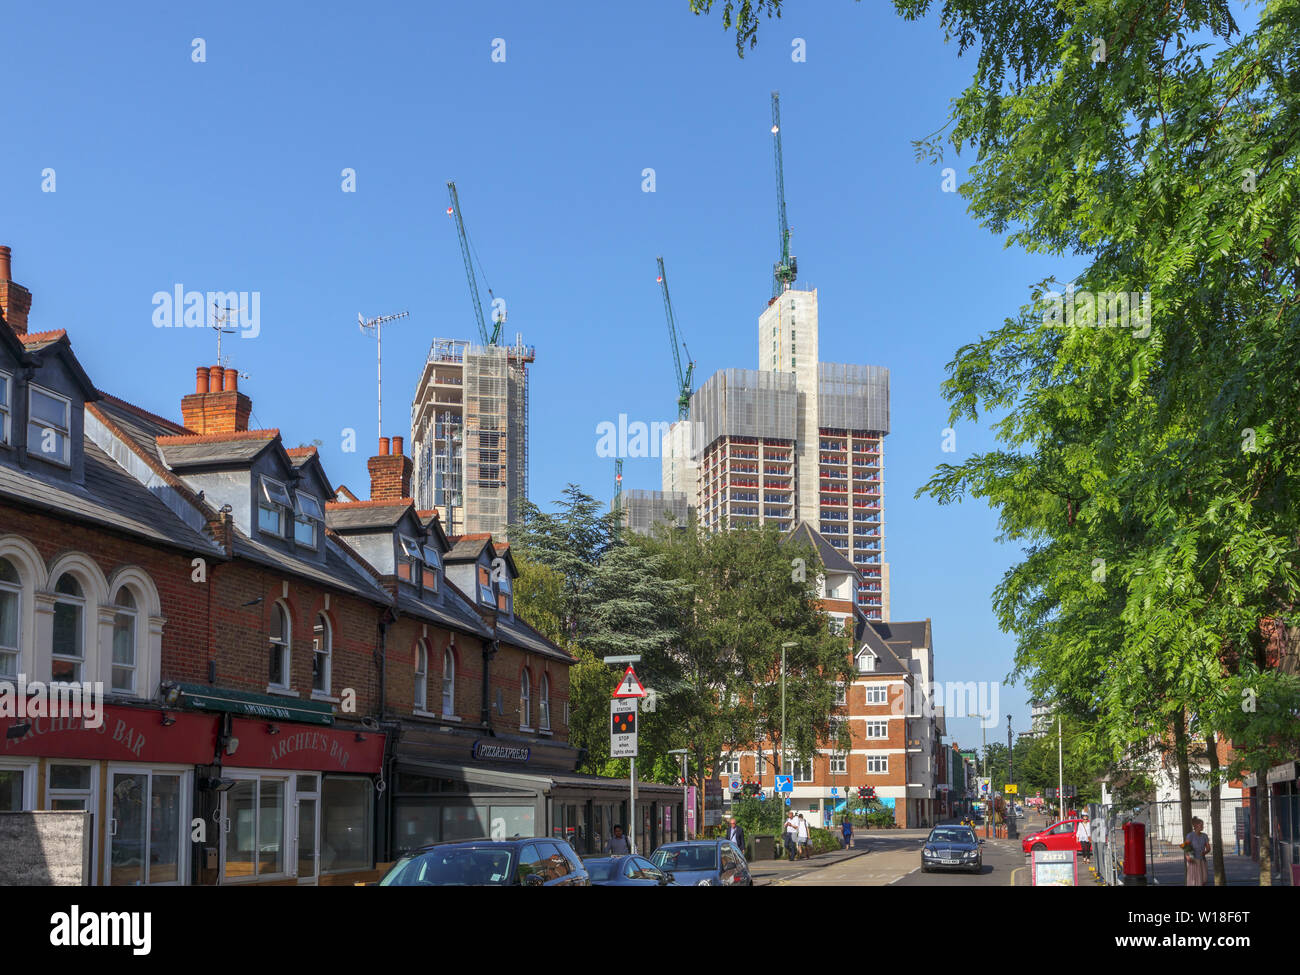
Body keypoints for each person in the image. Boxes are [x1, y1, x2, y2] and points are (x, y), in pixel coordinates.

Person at [1185, 817, 1210, 886]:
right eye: (1201, 825)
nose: (1203, 827)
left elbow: (1208, 848)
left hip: (1202, 860)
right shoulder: (1190, 835)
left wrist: (1204, 852)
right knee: (1194, 880)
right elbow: (1186, 847)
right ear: (1196, 826)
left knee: (1203, 879)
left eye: (1203, 825)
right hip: (1193, 860)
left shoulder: (1205, 836)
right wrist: (1188, 857)